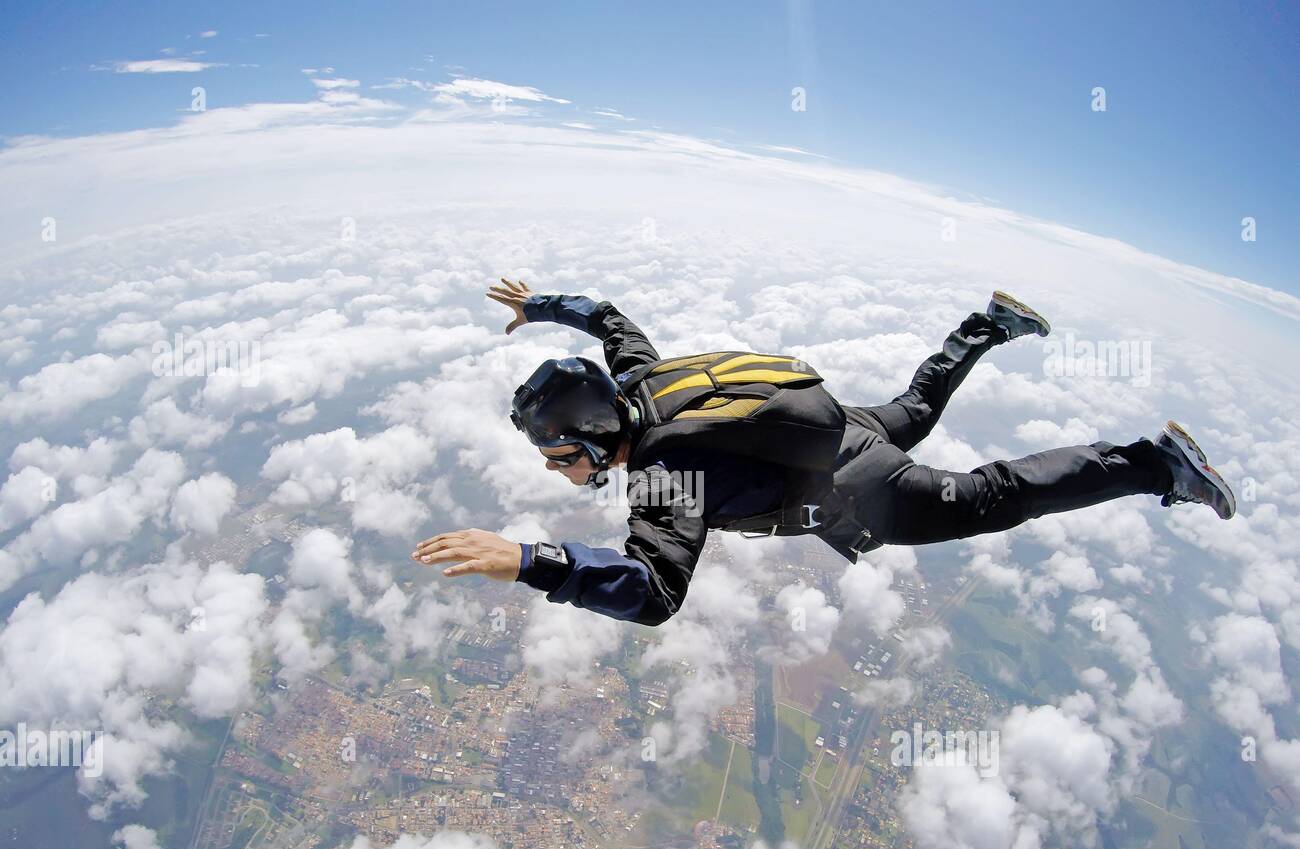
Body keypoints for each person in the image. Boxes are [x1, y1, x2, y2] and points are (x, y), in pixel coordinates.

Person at [412, 278, 1235, 626]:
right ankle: (986, 323)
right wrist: (546, 306)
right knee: (914, 407)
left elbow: (654, 593)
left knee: (992, 495)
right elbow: (614, 320)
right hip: (841, 428)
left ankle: (1156, 464)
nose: (560, 472)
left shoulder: (664, 476)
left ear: (593, 435)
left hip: (859, 488)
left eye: (560, 458)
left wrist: (530, 561)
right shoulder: (643, 378)